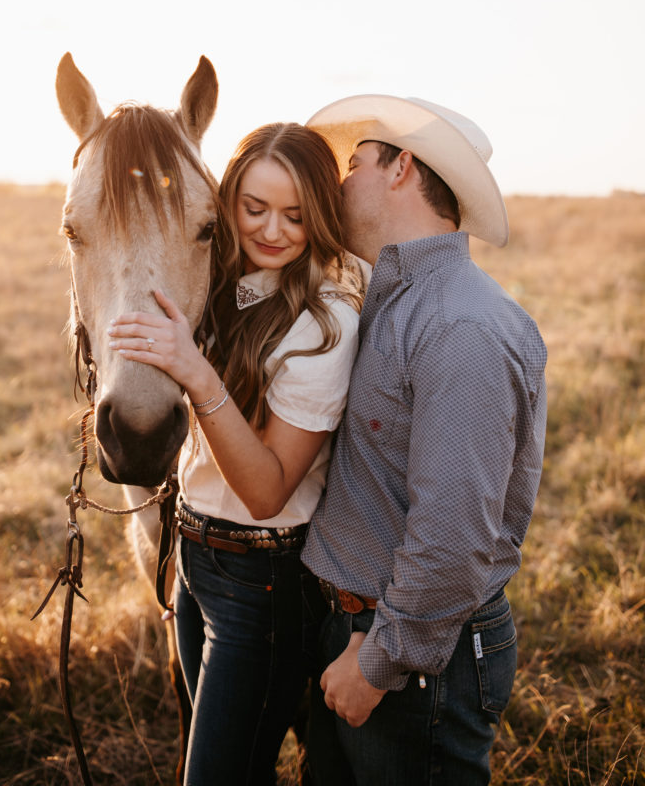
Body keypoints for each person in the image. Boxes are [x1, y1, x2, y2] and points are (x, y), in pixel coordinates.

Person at [107, 122, 367, 786]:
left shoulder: (326, 324)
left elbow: (265, 491)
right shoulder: (237, 287)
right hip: (195, 563)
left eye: (296, 215)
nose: (272, 231)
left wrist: (198, 375)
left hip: (264, 583)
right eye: (253, 209)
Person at [300, 95, 548, 786]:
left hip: (413, 663)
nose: (340, 181)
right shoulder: (390, 299)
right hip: (361, 632)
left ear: (402, 167)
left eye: (355, 163)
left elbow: (454, 534)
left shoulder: (459, 327)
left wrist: (378, 665)